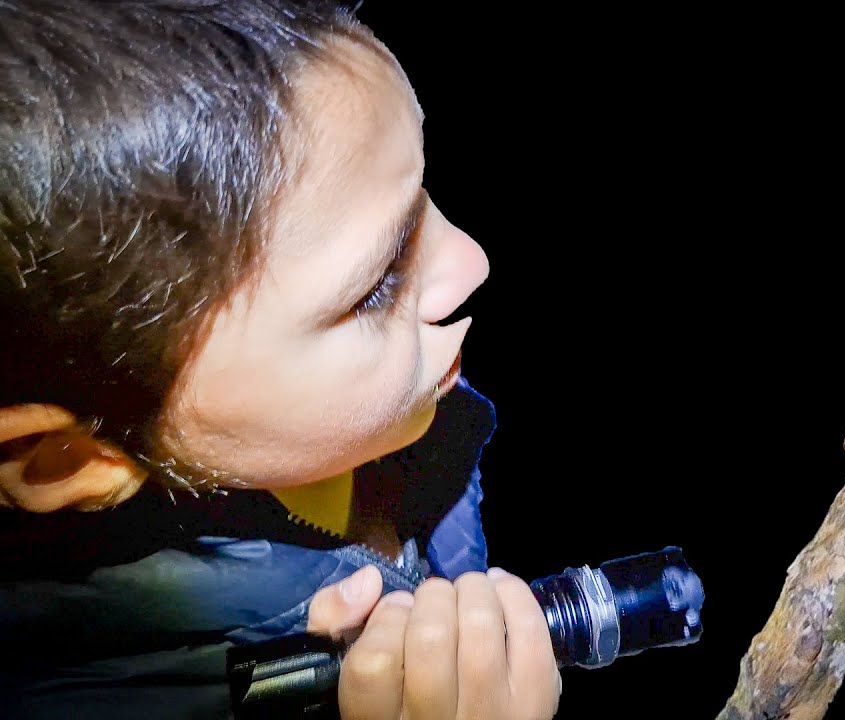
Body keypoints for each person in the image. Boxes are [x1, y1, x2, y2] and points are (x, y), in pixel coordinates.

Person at [0, 1, 562, 717]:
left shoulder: (388, 417)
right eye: (372, 288)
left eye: (420, 192)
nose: (470, 260)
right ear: (68, 460)